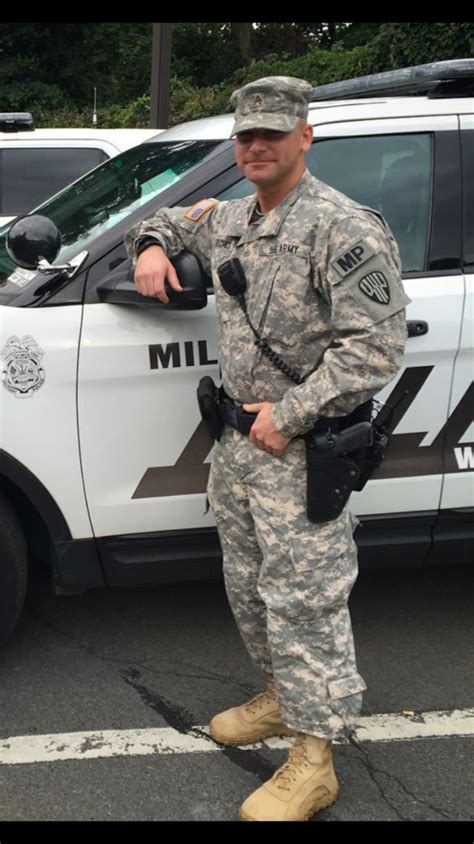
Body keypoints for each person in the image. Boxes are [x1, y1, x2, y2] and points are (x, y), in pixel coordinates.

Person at [125, 76, 410, 822]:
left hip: (298, 447)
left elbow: (376, 351)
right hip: (241, 450)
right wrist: (154, 245)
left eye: (272, 134)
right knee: (250, 590)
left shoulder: (342, 229)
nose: (255, 145)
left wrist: (288, 414)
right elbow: (162, 222)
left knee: (304, 601)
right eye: (246, 134)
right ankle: (284, 697)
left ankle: (315, 759)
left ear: (304, 138)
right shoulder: (230, 217)